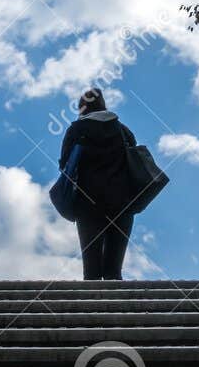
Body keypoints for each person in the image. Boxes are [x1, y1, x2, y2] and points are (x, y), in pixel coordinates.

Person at [57, 88, 138, 281]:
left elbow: (65, 165)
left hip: (87, 204)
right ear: (103, 104)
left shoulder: (76, 130)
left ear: (81, 107)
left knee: (91, 271)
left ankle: (92, 300)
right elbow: (134, 158)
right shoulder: (122, 130)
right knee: (114, 271)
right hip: (122, 203)